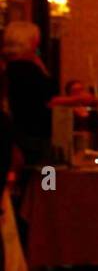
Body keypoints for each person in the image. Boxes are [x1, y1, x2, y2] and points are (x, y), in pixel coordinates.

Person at [2, 21, 56, 168]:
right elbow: (43, 99)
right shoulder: (24, 68)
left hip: (22, 133)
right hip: (32, 135)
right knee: (45, 176)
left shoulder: (11, 66)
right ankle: (47, 190)